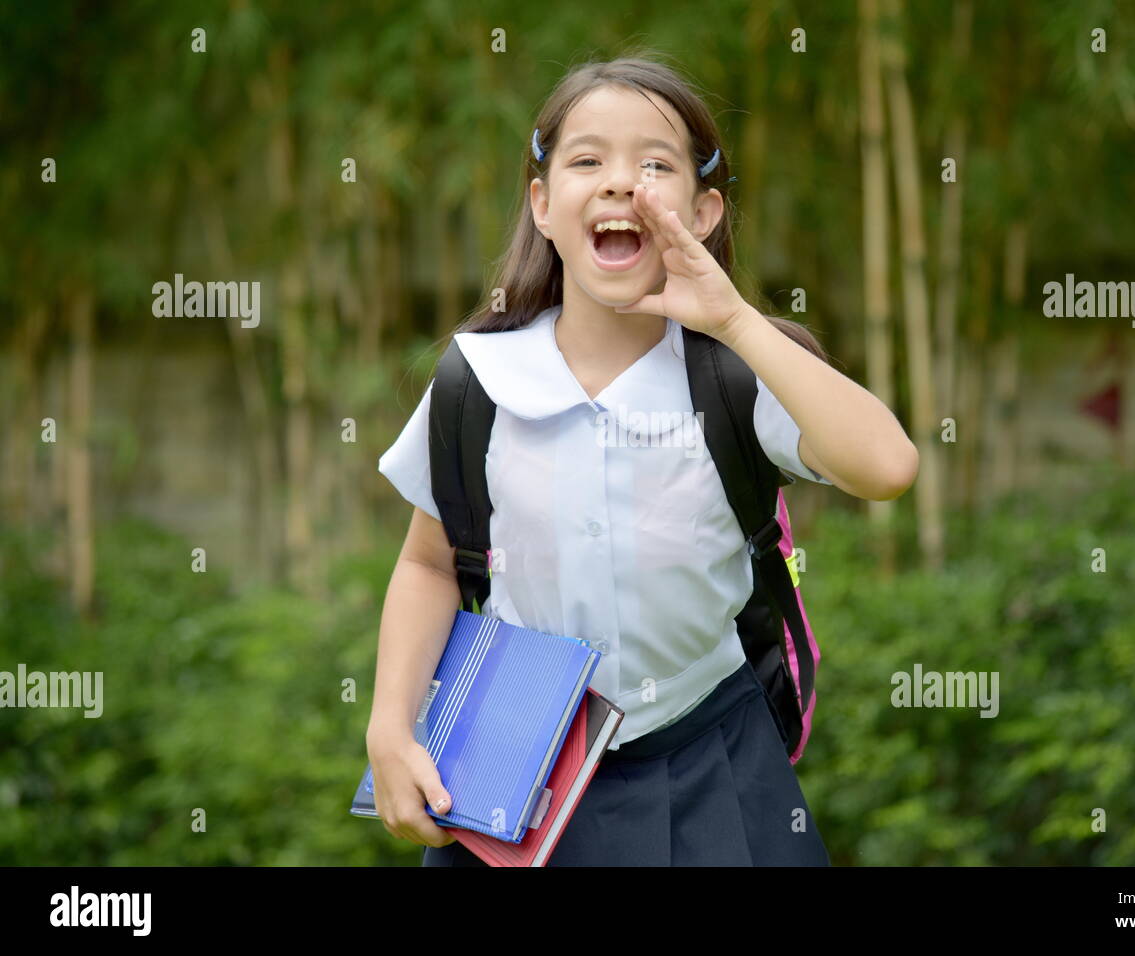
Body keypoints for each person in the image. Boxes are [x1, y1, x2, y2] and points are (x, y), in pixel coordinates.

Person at [365, 55, 918, 866]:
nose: (621, 182)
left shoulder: (732, 372)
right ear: (543, 204)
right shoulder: (478, 380)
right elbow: (427, 564)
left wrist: (734, 319)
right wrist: (389, 721)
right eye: (587, 159)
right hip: (520, 784)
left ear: (702, 210)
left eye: (654, 164)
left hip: (712, 762)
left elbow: (887, 465)